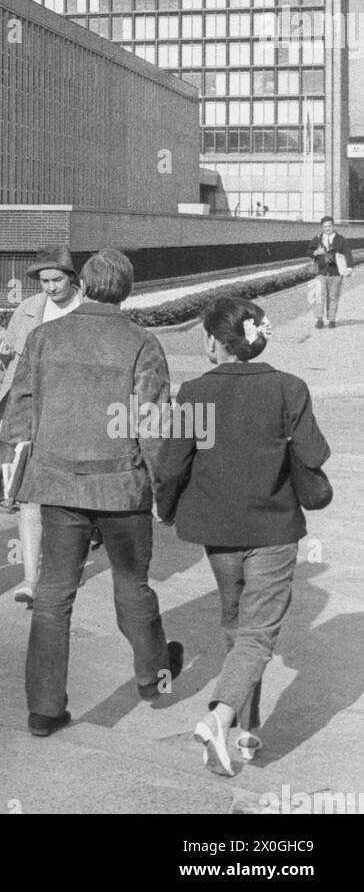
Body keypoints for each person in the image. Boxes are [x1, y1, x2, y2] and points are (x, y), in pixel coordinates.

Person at [0, 249, 182, 736]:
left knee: (53, 597)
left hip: (57, 486)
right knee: (132, 584)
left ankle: (43, 708)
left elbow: (18, 416)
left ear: (83, 284)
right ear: (127, 289)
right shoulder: (142, 343)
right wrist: (168, 492)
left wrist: (12, 482)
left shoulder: (43, 337)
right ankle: (152, 675)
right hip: (122, 489)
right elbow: (154, 425)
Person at [156, 296, 330, 776]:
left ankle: (244, 731)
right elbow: (315, 452)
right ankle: (221, 717)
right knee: (256, 634)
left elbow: (171, 466)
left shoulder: (194, 392)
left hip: (218, 532)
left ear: (215, 340)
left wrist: (165, 510)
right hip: (273, 529)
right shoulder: (288, 387)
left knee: (238, 628)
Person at [0, 247, 85, 608]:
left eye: (57, 280)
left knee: (67, 499)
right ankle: (32, 580)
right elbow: (5, 373)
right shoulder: (27, 310)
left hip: (73, 414)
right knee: (28, 496)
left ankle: (66, 568)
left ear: (71, 277)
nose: (50, 288)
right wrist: (2, 360)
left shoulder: (87, 308)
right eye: (45, 281)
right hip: (30, 411)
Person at [307, 214, 354, 329]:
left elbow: (348, 253)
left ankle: (332, 320)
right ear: (321, 227)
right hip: (321, 273)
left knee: (333, 297)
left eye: (329, 226)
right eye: (324, 226)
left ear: (333, 226)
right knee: (319, 297)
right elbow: (308, 251)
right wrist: (315, 253)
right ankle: (319, 320)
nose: (327, 229)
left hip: (336, 273)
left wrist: (349, 268)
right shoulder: (317, 238)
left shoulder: (341, 239)